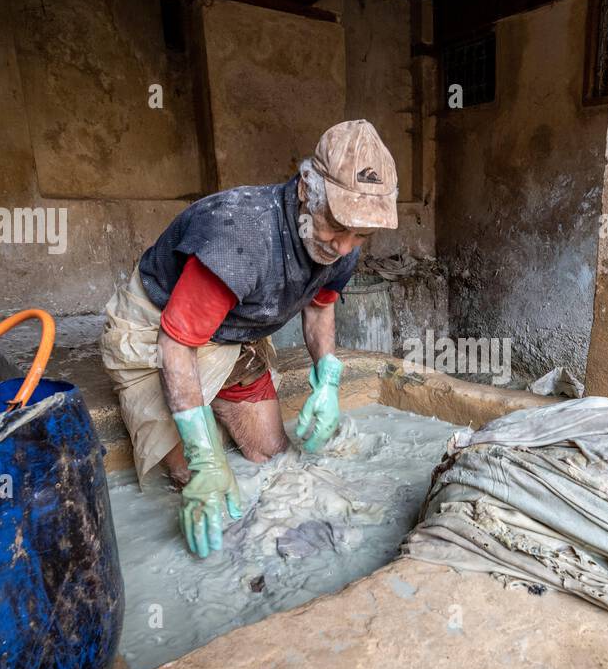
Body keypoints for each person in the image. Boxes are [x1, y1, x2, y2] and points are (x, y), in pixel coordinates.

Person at [100, 120, 398, 558]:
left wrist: (328, 378)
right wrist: (204, 458)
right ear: (306, 190)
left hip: (235, 337)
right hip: (159, 330)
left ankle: (222, 402)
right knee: (201, 486)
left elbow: (319, 306)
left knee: (273, 458)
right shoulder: (240, 235)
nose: (345, 245)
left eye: (361, 234)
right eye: (336, 224)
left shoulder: (345, 247)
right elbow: (176, 344)